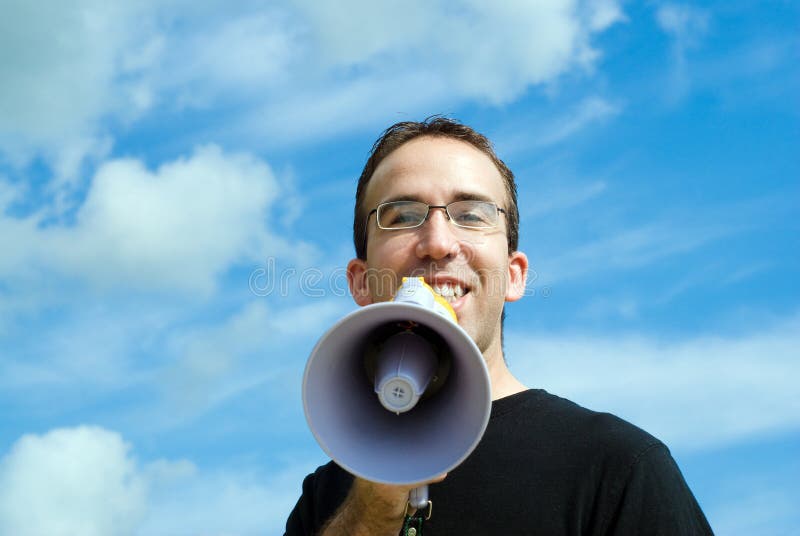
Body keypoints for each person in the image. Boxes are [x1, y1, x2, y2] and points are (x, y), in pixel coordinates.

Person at [284, 117, 713, 535]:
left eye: (471, 215)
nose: (437, 243)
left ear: (514, 274)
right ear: (361, 281)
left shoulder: (619, 469)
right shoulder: (327, 499)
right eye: (402, 216)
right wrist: (372, 511)